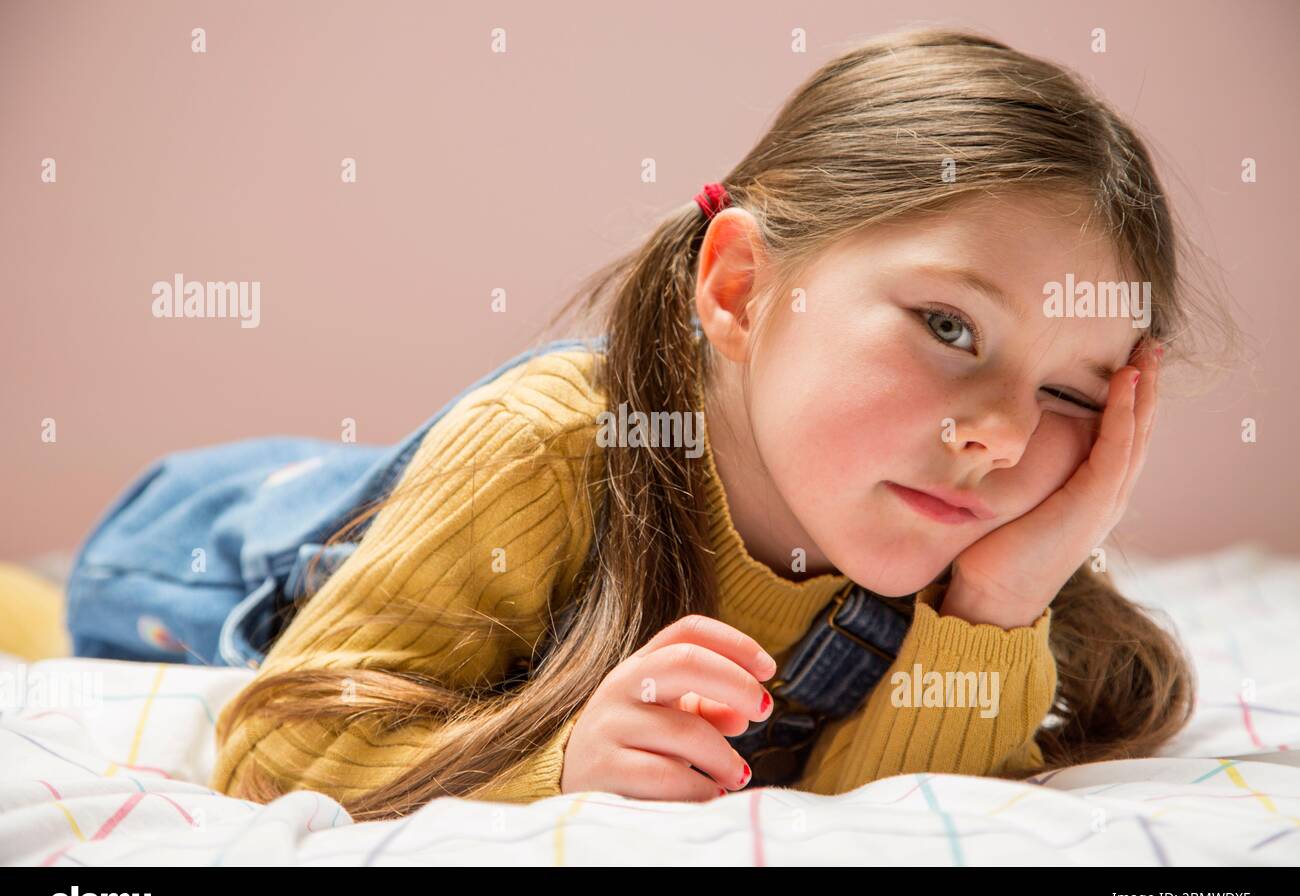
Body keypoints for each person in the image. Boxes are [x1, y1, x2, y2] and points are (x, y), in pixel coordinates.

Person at [202, 27, 1237, 820]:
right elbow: (271, 751)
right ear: (741, 289)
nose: (1003, 436)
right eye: (949, 324)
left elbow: (888, 818)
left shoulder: (965, 556)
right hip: (218, 545)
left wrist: (1001, 597)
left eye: (1073, 395)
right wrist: (549, 767)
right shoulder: (544, 452)